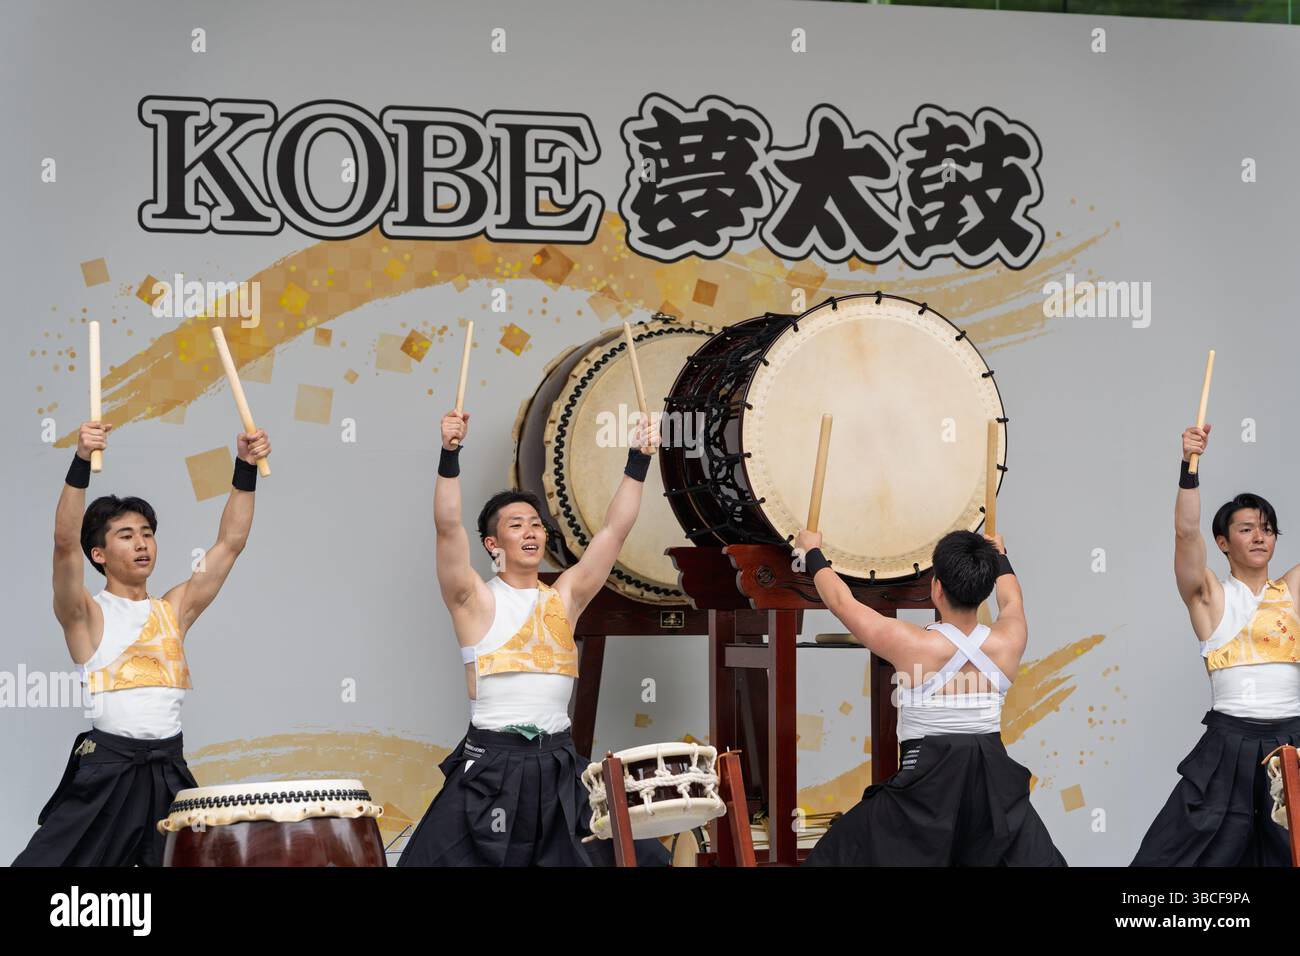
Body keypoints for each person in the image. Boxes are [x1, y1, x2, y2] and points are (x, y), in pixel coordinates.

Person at [398, 408, 669, 866]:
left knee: (638, 856)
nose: (530, 531)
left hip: (560, 764)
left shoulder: (565, 597)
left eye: (536, 524)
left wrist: (638, 460)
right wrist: (449, 453)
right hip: (491, 767)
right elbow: (447, 527)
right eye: (516, 525)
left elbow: (613, 531)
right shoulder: (473, 600)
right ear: (492, 544)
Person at [14, 420, 270, 866]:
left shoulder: (173, 610)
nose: (142, 543)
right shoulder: (85, 615)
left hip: (168, 772)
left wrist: (244, 467)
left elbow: (231, 543)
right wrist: (80, 460)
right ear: (99, 554)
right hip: (108, 773)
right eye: (126, 536)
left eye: (147, 533)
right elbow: (62, 544)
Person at [798, 527, 1066, 866]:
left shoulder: (912, 645)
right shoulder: (1009, 641)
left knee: (837, 857)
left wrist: (812, 551)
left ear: (935, 588)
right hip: (991, 787)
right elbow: (1012, 599)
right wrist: (999, 554)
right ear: (985, 590)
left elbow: (840, 601)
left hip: (925, 787)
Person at [1132, 423, 1300, 866]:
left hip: (1292, 742)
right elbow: (1186, 534)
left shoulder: (1292, 593)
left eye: (1267, 529)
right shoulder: (1210, 596)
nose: (1260, 537)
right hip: (1228, 743)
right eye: (1246, 529)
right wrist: (1191, 465)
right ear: (1223, 543)